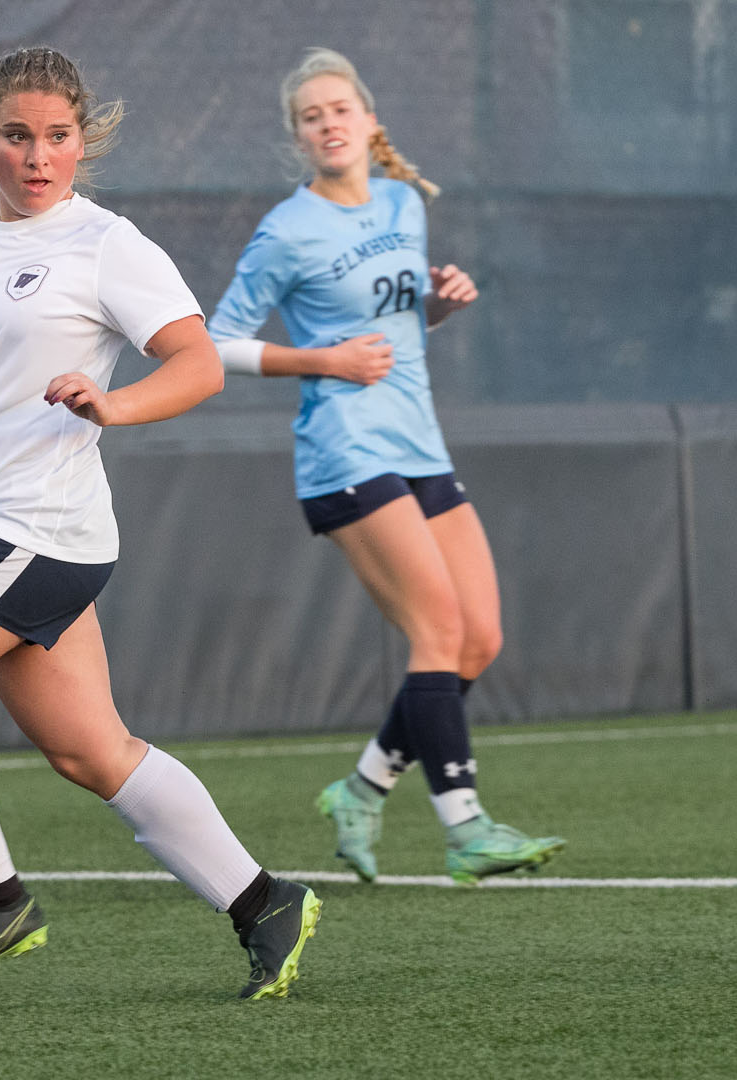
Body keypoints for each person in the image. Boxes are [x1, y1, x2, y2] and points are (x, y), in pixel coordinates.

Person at [0, 45, 320, 999]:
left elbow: (199, 364)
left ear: (83, 143)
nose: (37, 156)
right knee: (91, 751)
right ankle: (264, 903)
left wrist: (114, 406)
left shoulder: (106, 245)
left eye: (57, 136)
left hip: (34, 527)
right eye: (17, 136)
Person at [206, 47, 564, 886]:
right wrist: (322, 361)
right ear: (299, 138)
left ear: (370, 121)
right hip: (344, 451)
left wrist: (437, 305)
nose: (328, 124)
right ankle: (465, 828)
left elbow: (397, 329)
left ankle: (363, 789)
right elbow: (214, 345)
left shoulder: (403, 203)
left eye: (340, 109)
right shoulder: (286, 229)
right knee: (438, 631)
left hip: (418, 442)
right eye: (311, 117)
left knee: (479, 640)